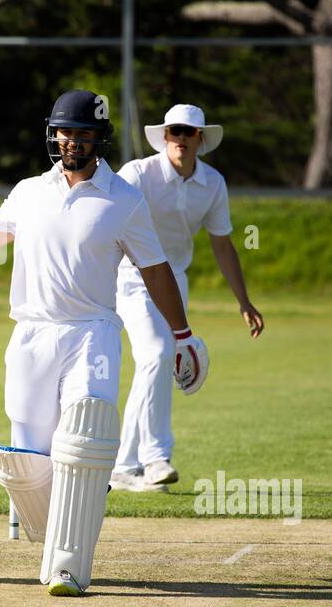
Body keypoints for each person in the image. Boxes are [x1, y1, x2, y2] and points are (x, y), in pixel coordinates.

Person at [0, 90, 208, 596]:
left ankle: (69, 567)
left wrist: (182, 334)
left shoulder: (124, 200)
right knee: (26, 461)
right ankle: (53, 536)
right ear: (53, 134)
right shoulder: (29, 192)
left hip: (92, 331)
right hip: (30, 334)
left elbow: (156, 270)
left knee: (84, 440)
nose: (73, 141)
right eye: (65, 132)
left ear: (100, 139)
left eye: (83, 133)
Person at [110, 103, 263, 494]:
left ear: (200, 138)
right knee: (157, 354)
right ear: (165, 136)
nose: (180, 138)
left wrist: (244, 301)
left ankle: (123, 467)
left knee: (155, 363)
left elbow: (222, 244)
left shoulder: (213, 184)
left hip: (175, 281)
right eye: (174, 131)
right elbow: (106, 220)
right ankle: (156, 458)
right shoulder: (137, 173)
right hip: (131, 277)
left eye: (188, 132)